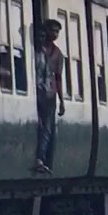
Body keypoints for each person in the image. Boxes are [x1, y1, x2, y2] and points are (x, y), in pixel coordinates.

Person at [33, 18, 66, 174]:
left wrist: (61, 100)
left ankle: (40, 158)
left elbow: (58, 77)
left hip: (50, 93)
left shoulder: (58, 54)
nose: (54, 34)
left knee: (47, 128)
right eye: (52, 30)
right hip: (37, 91)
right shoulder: (37, 50)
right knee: (40, 125)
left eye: (57, 31)